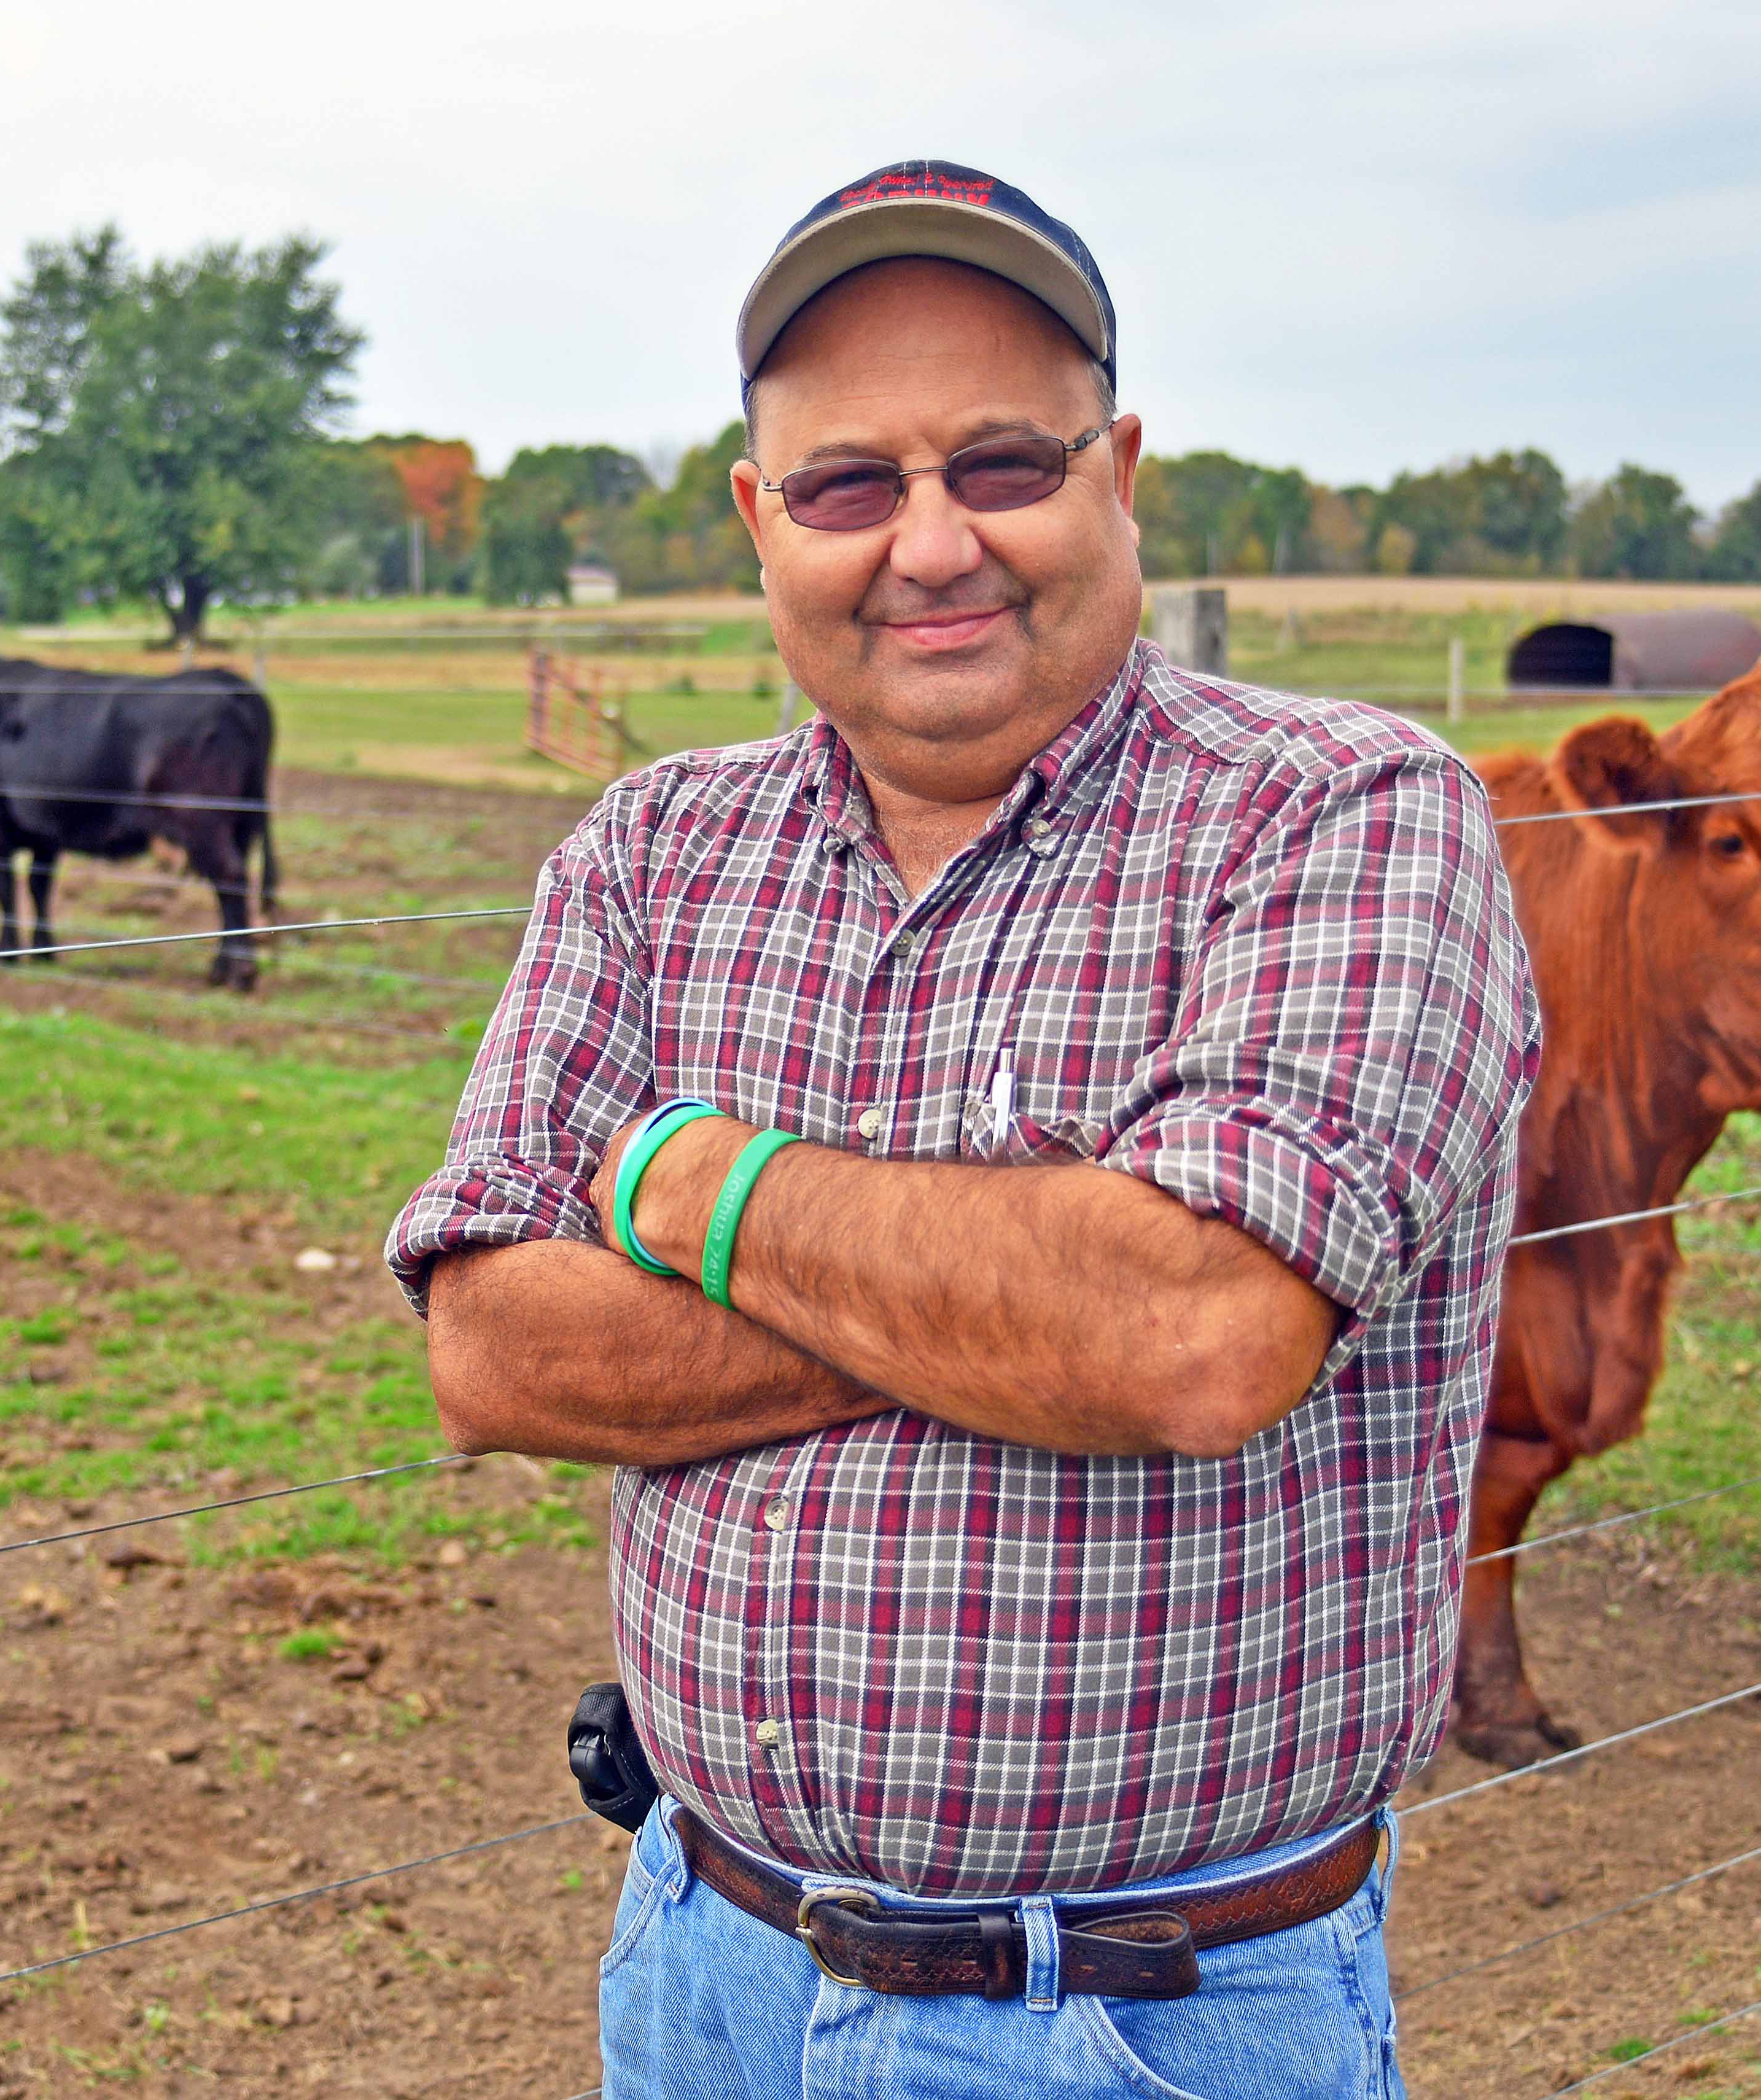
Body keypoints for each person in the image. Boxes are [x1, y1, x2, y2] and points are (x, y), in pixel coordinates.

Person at [385, 161, 1537, 2100]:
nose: (928, 544)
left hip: (1151, 2013)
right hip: (709, 1973)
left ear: (1120, 469)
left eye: (1001, 463)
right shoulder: (651, 852)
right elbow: (492, 1348)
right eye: (847, 485)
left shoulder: (1341, 814)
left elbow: (1191, 1334)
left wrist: (694, 1178)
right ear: (762, 523)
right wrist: (1029, 1292)